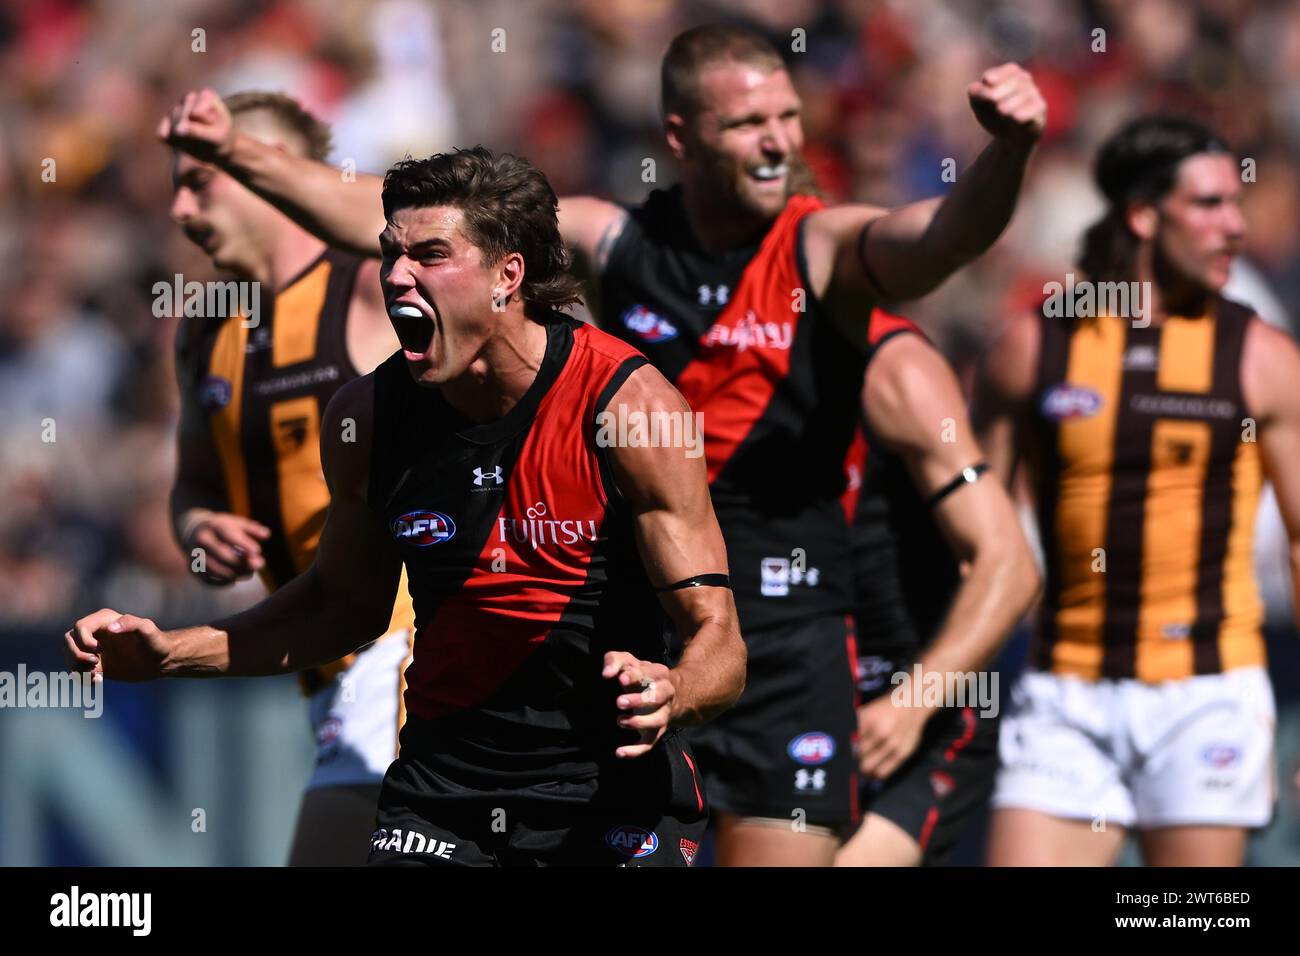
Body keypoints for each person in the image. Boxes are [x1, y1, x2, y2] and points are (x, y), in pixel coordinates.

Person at [154, 22, 1046, 865]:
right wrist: (233, 151)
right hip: (621, 633)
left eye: (787, 118)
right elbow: (383, 222)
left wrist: (1008, 153)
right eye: (746, 123)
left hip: (774, 644)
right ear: (681, 135)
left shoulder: (821, 250)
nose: (778, 141)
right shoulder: (616, 241)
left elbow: (940, 241)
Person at [67, 146, 747, 868]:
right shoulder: (367, 418)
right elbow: (338, 606)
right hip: (440, 796)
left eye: (430, 254)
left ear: (507, 276)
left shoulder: (628, 407)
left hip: (608, 794)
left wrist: (674, 688)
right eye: (391, 253)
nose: (396, 276)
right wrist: (174, 651)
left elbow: (722, 643)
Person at [975, 115, 1300, 866]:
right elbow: (978, 524)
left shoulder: (1261, 357)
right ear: (1144, 214)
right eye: (1210, 205)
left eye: (1236, 203)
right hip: (1064, 689)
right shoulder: (1036, 346)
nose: (1236, 225)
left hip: (1207, 691)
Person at [163, 91, 412, 866]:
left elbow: (440, 209)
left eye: (200, 180)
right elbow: (192, 487)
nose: (177, 209)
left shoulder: (375, 283)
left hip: (407, 644)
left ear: (269, 174)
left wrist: (255, 156)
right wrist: (199, 530)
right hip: (324, 665)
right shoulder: (204, 330)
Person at [835, 309, 1038, 867]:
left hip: (926, 724)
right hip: (802, 716)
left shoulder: (894, 381)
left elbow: (1011, 568)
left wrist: (910, 705)